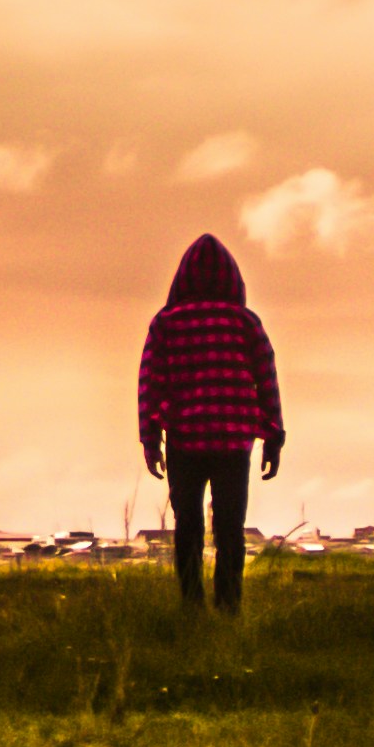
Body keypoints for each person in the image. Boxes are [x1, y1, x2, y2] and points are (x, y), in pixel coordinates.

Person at [134, 232, 284, 614]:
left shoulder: (166, 322)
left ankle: (192, 605)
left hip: (185, 440)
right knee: (231, 527)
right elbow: (266, 378)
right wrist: (274, 437)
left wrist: (151, 441)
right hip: (234, 442)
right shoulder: (245, 322)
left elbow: (149, 383)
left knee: (189, 526)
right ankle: (229, 606)